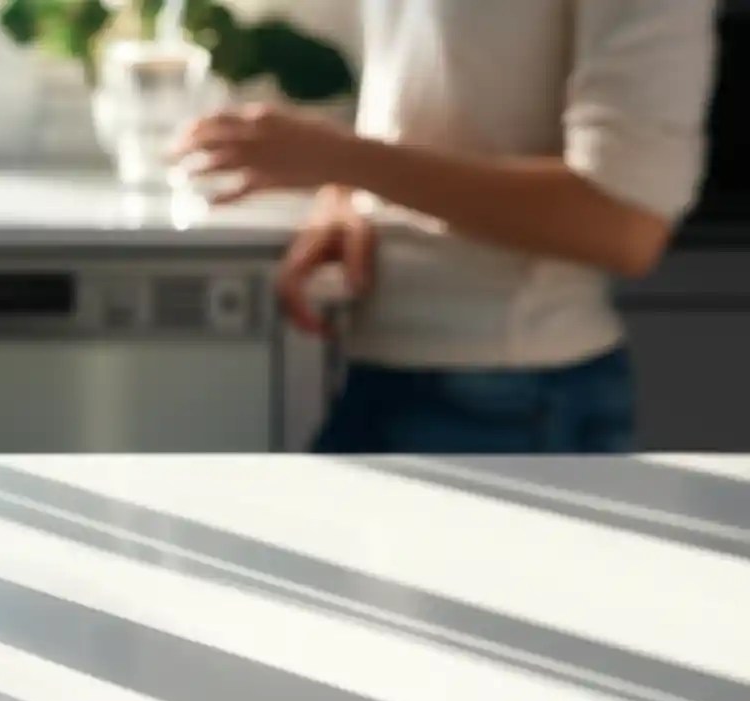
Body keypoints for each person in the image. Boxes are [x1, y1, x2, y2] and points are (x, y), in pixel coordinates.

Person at [176, 0, 717, 453]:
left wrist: (345, 162)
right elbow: (435, 100)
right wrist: (345, 196)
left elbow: (622, 223)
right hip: (380, 367)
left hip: (511, 397)